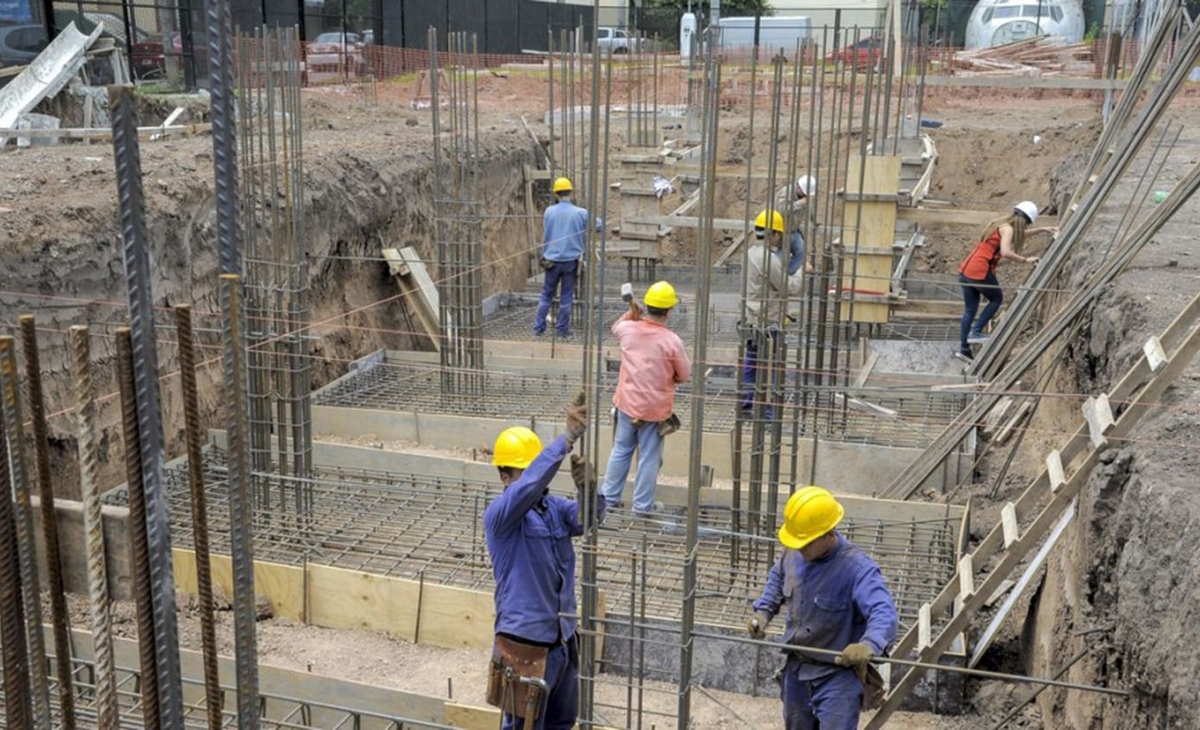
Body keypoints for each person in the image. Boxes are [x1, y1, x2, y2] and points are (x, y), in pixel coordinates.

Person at [484, 394, 602, 730]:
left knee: (561, 723)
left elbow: (587, 520)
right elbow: (532, 484)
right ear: (506, 476)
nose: (537, 478)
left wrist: (590, 490)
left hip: (562, 640)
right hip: (525, 644)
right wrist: (566, 438)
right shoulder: (501, 516)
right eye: (527, 469)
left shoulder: (553, 510)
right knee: (524, 726)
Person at [747, 487, 899, 730]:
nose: (799, 549)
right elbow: (777, 578)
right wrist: (763, 612)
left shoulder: (857, 569)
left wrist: (868, 644)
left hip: (837, 676)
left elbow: (884, 612)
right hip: (797, 670)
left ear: (829, 534)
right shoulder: (794, 552)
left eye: (806, 544)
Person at [599, 281, 691, 516]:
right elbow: (685, 374)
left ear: (647, 306)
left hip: (627, 405)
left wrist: (632, 313)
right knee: (649, 458)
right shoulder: (671, 341)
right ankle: (641, 507)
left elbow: (617, 325)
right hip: (654, 411)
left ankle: (608, 501)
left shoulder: (628, 330)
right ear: (669, 310)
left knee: (621, 450)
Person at [956, 200, 1058, 363]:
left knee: (969, 310)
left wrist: (1043, 229)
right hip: (980, 270)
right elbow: (1006, 251)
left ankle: (963, 349)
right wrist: (1025, 260)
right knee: (996, 299)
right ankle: (975, 331)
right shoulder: (1008, 229)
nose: (1025, 227)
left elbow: (1019, 234)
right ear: (1024, 220)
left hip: (966, 270)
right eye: (1027, 224)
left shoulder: (1000, 224)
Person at [742, 209, 806, 416]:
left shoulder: (749, 253)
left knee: (751, 362)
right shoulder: (768, 259)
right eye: (780, 234)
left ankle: (747, 404)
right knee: (771, 367)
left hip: (751, 319)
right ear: (774, 234)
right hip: (769, 321)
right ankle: (768, 414)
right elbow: (789, 287)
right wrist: (803, 271)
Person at [535, 176, 590, 339]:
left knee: (546, 295)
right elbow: (598, 225)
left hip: (551, 261)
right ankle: (562, 330)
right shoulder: (580, 213)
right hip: (571, 262)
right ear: (571, 192)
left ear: (556, 194)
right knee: (567, 296)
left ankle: (538, 328)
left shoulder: (549, 211)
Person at [772, 175, 818, 276]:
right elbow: (782, 210)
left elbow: (809, 209)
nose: (806, 195)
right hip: (781, 231)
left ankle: (787, 277)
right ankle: (775, 277)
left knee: (801, 252)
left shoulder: (804, 196)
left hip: (794, 231)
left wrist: (814, 220)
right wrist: (799, 203)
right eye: (805, 193)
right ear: (799, 187)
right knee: (780, 256)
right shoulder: (785, 193)